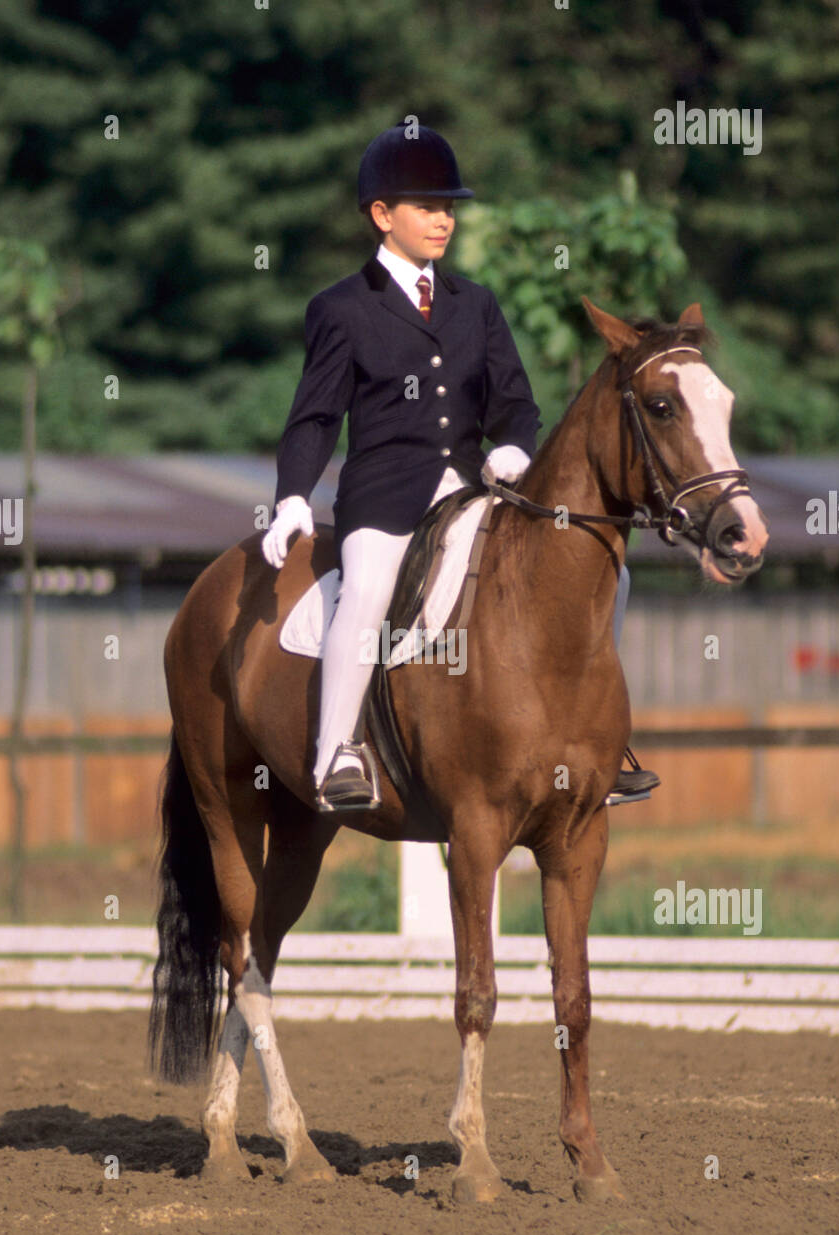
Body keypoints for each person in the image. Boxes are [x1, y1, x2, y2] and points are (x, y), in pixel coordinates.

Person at [263, 122, 658, 812]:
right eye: (428, 207)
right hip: (386, 495)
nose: (444, 219)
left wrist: (511, 446)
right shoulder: (342, 308)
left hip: (476, 491)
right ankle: (337, 753)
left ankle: (601, 739)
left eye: (450, 207)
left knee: (609, 576)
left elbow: (515, 398)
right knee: (368, 588)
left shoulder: (474, 303)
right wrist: (294, 493)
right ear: (382, 216)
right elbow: (318, 414)